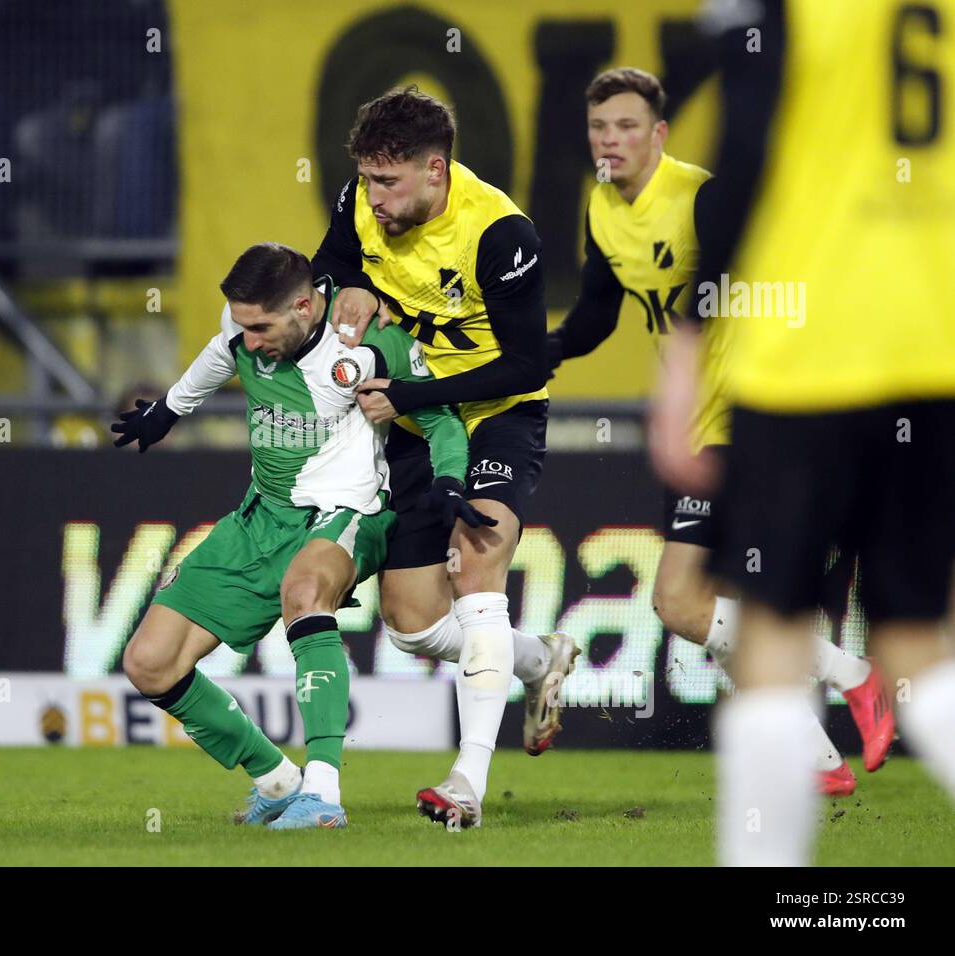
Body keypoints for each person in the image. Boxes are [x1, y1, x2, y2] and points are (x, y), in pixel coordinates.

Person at [651, 0, 955, 865]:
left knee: (773, 636)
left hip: (807, 350)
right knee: (920, 649)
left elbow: (747, 137)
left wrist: (691, 336)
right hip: (934, 345)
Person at [548, 67, 890, 796]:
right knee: (696, 604)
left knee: (689, 599)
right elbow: (596, 315)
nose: (611, 141)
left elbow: (758, 283)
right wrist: (532, 356)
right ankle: (837, 721)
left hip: (748, 416)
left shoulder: (701, 198)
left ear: (659, 134)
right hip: (701, 424)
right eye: (599, 128)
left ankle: (837, 715)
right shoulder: (603, 207)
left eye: (627, 127)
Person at [114, 242, 481, 829]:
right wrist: (169, 409)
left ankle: (323, 795)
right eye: (243, 325)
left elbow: (439, 416)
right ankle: (276, 778)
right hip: (260, 516)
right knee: (149, 663)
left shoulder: (367, 338)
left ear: (306, 307)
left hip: (345, 510)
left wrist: (449, 481)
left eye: (262, 327)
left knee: (306, 593)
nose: (250, 341)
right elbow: (220, 353)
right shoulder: (244, 328)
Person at [314, 86, 577, 828]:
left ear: (436, 170)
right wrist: (353, 286)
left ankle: (467, 782)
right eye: (366, 179)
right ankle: (537, 659)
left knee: (477, 553)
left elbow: (529, 365)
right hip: (415, 421)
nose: (374, 197)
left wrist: (411, 395)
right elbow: (327, 264)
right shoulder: (362, 200)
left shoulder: (502, 234)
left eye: (387, 182)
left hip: (496, 414)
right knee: (412, 621)